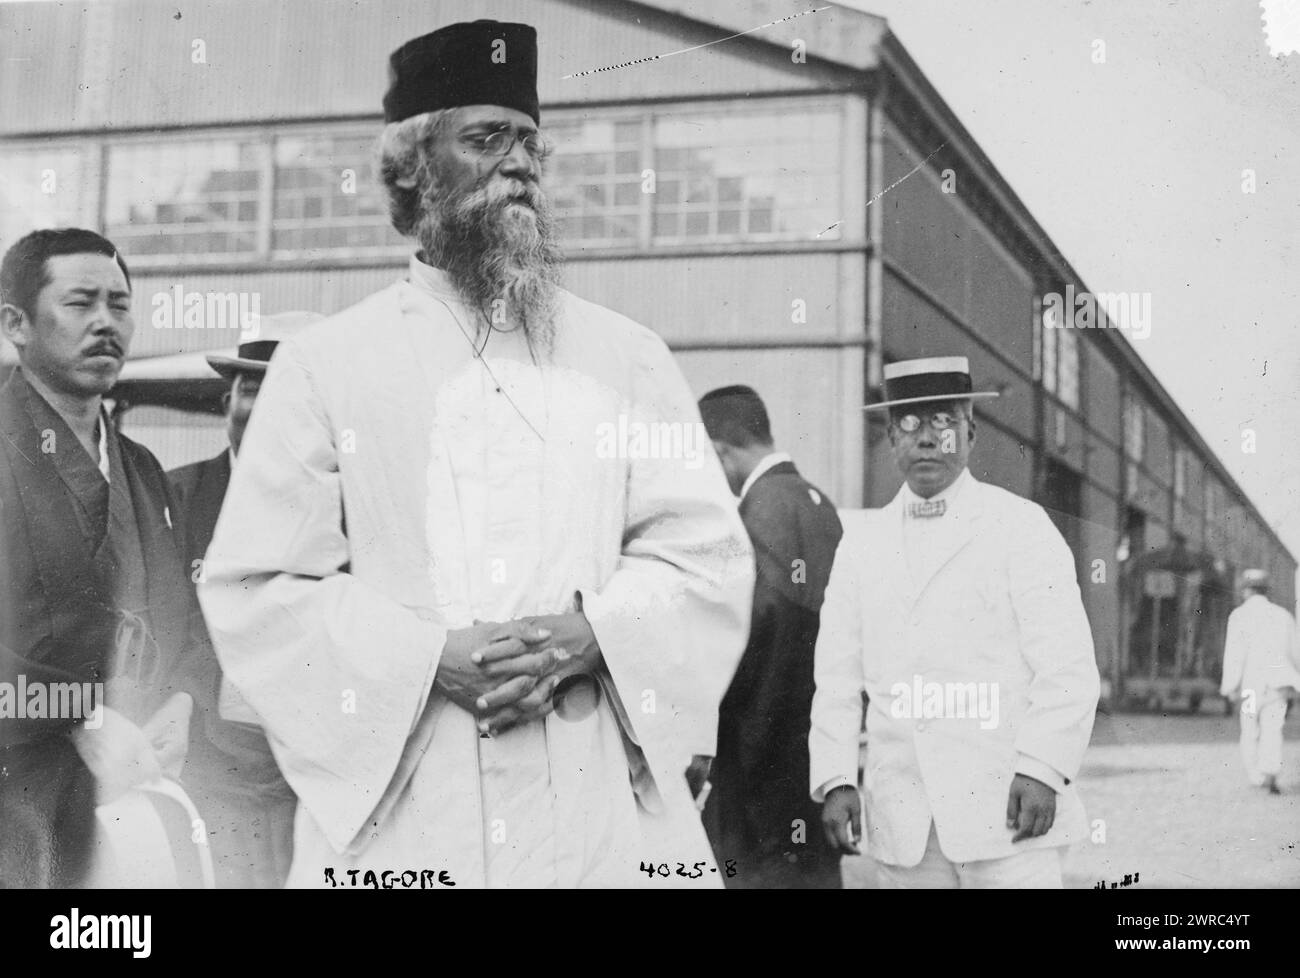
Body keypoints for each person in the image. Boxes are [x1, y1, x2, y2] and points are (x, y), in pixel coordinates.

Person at [197, 20, 752, 888]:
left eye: (532, 142)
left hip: (596, 801)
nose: (521, 161)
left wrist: (592, 637)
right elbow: (257, 588)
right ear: (414, 167)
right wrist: (425, 659)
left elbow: (707, 558)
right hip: (411, 811)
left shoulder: (627, 356)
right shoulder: (326, 366)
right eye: (487, 138)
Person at [811, 356, 1099, 888]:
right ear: (891, 438)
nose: (927, 439)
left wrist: (1042, 766)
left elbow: (1067, 666)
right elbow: (836, 678)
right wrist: (835, 778)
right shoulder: (861, 545)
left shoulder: (1020, 527)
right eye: (910, 424)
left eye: (943, 421)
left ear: (970, 433)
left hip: (1006, 812)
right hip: (903, 819)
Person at [0, 228, 201, 887]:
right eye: (81, 303)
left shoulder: (139, 464)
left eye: (120, 304)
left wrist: (180, 700)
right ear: (15, 323)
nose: (105, 324)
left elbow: (179, 615)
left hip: (133, 780)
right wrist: (81, 713)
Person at [167, 312, 323, 888]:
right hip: (209, 775)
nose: (268, 411)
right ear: (225, 399)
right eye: (255, 388)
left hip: (315, 782)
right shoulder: (174, 498)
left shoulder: (351, 514)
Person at [697, 385, 843, 888]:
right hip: (812, 768)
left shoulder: (757, 514)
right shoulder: (821, 505)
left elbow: (751, 641)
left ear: (719, 450)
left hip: (756, 775)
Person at [1219, 568, 1300, 795]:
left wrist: (1230, 685)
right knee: (1274, 728)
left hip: (1251, 686)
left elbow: (1234, 654)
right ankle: (1270, 771)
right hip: (1279, 684)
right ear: (1267, 590)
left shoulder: (1239, 616)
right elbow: (1295, 651)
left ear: (1245, 591)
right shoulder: (1283, 615)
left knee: (1249, 728)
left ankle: (1255, 774)